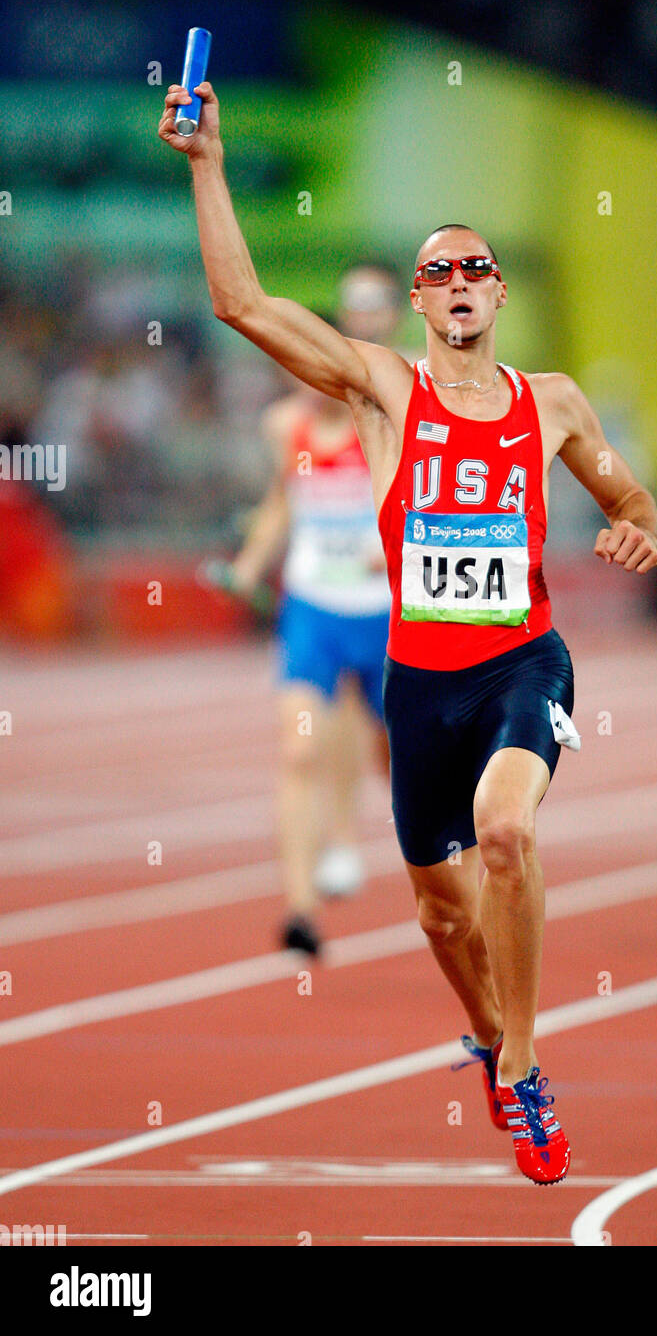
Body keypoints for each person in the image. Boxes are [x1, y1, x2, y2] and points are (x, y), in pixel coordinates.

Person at [159, 80, 657, 1186]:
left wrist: (637, 525)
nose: (461, 281)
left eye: (478, 265)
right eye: (440, 269)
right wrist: (208, 166)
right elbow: (241, 302)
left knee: (508, 834)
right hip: (418, 680)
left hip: (522, 663)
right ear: (425, 306)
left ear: (497, 295)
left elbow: (631, 502)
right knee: (442, 915)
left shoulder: (557, 402)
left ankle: (523, 1063)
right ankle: (489, 1033)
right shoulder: (383, 390)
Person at [228, 270, 406, 957]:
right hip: (313, 614)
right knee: (302, 747)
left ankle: (439, 877)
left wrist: (396, 550)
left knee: (399, 757)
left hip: (391, 616)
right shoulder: (286, 427)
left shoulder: (396, 412)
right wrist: (249, 563)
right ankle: (301, 909)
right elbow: (281, 504)